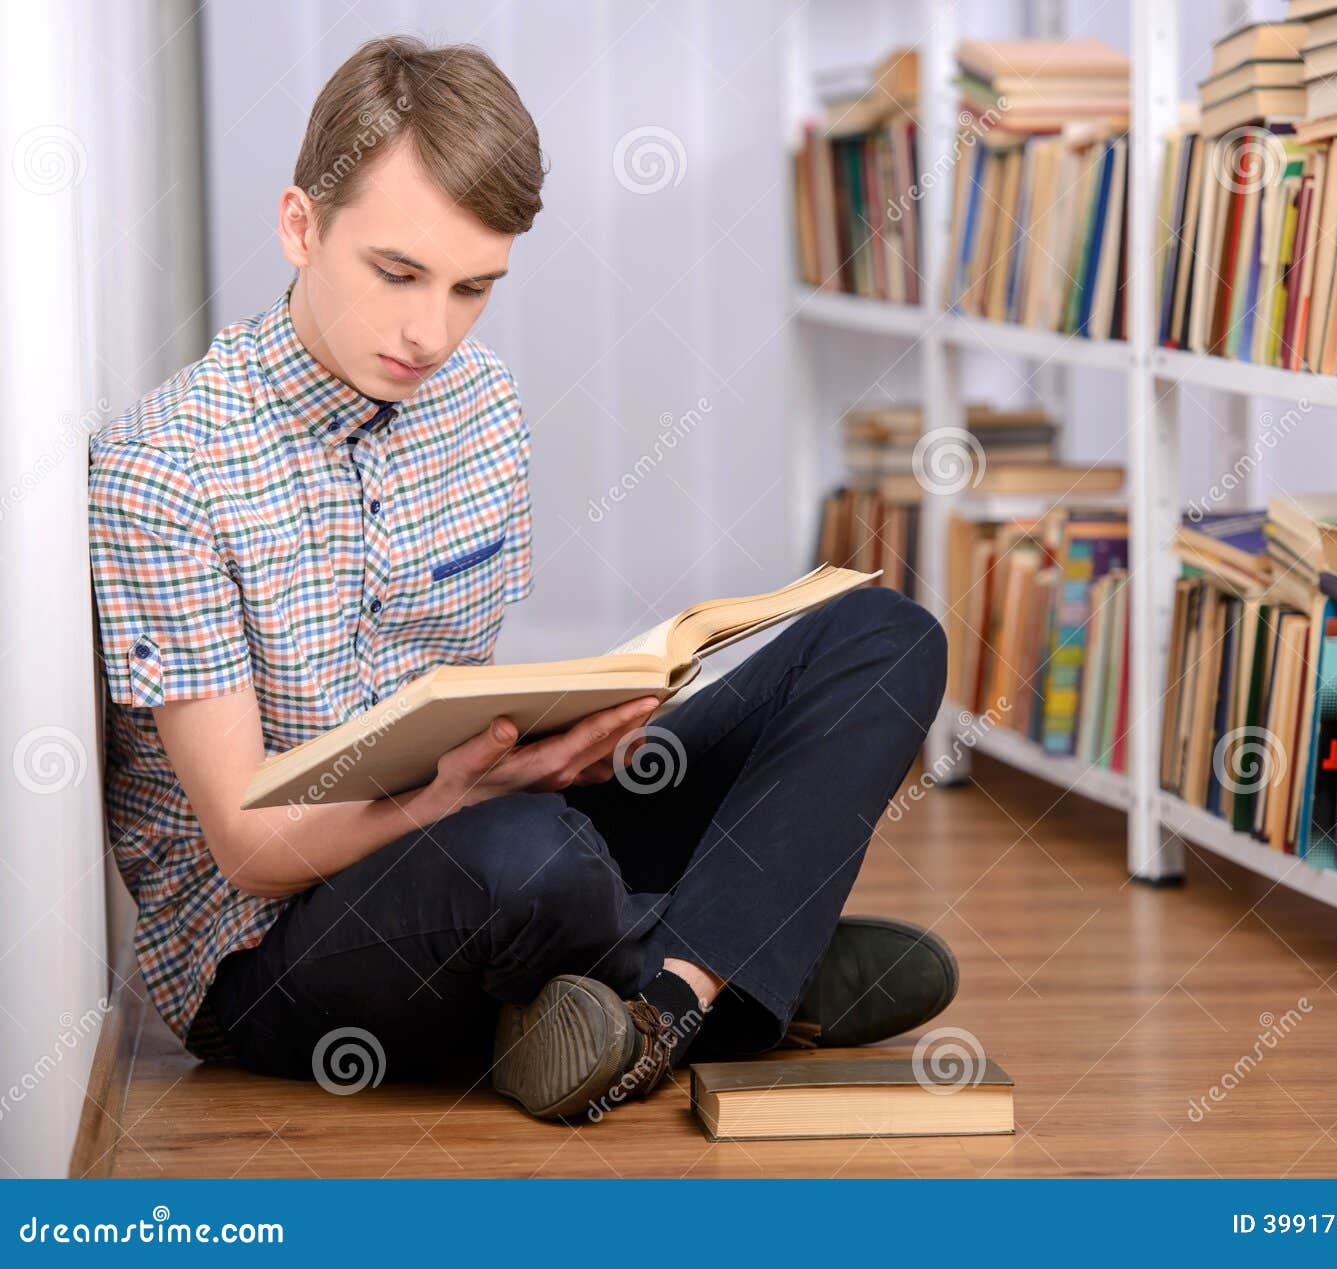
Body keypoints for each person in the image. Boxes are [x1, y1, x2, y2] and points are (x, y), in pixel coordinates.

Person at [87, 35, 956, 1123]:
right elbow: (251, 849)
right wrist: (458, 790)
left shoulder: (481, 407)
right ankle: (736, 963)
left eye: (472, 289)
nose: (429, 332)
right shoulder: (162, 469)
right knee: (529, 863)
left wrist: (559, 740)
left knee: (881, 639)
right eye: (397, 274)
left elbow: (460, 698)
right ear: (300, 226)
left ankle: (664, 1002)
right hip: (273, 948)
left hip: (474, 830)